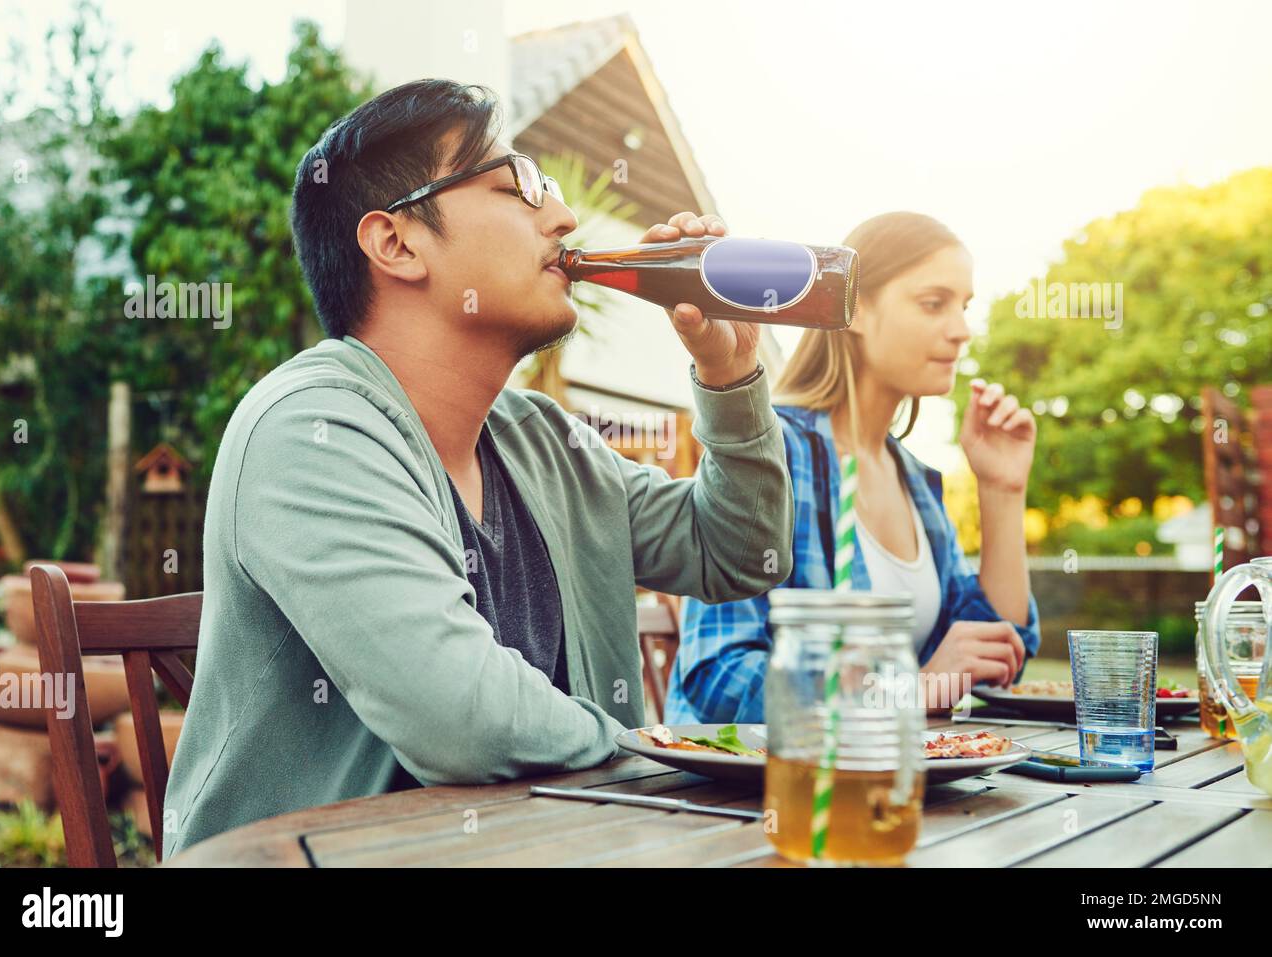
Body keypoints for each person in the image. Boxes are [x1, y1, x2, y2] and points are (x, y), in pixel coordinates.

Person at [162, 79, 793, 854]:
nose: (564, 217)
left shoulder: (542, 440)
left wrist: (729, 379)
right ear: (396, 243)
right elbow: (459, 713)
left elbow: (737, 552)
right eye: (517, 185)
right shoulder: (311, 429)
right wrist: (654, 752)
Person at [665, 211, 1040, 723]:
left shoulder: (915, 480)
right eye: (934, 304)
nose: (961, 331)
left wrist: (1002, 489)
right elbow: (719, 673)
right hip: (758, 795)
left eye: (964, 306)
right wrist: (907, 690)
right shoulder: (768, 454)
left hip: (889, 786)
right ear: (856, 307)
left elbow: (998, 652)